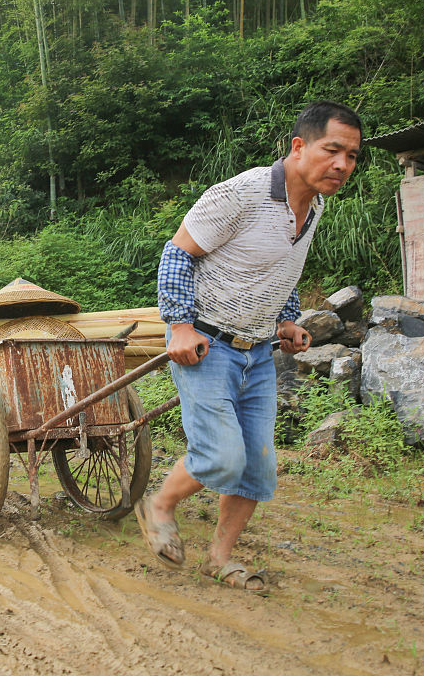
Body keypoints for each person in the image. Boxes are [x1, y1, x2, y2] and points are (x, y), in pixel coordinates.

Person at [136, 101, 362, 592]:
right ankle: (159, 505)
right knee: (221, 458)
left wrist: (286, 320)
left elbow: (282, 270)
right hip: (209, 344)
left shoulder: (315, 205)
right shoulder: (241, 193)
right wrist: (179, 326)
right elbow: (176, 254)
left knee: (257, 469)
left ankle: (218, 558)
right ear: (299, 147)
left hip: (258, 353)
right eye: (333, 150)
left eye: (352, 155)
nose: (343, 164)